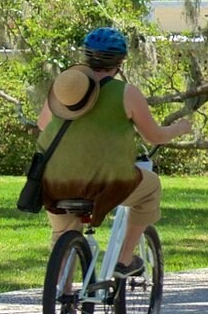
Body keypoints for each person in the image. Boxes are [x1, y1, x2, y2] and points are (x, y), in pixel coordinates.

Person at [36, 27, 192, 274]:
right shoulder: (126, 93)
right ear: (120, 61)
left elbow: (44, 124)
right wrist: (179, 128)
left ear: (86, 56)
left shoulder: (66, 85)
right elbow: (153, 136)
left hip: (54, 181)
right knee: (150, 188)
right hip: (105, 182)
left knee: (63, 234)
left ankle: (61, 297)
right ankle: (125, 260)